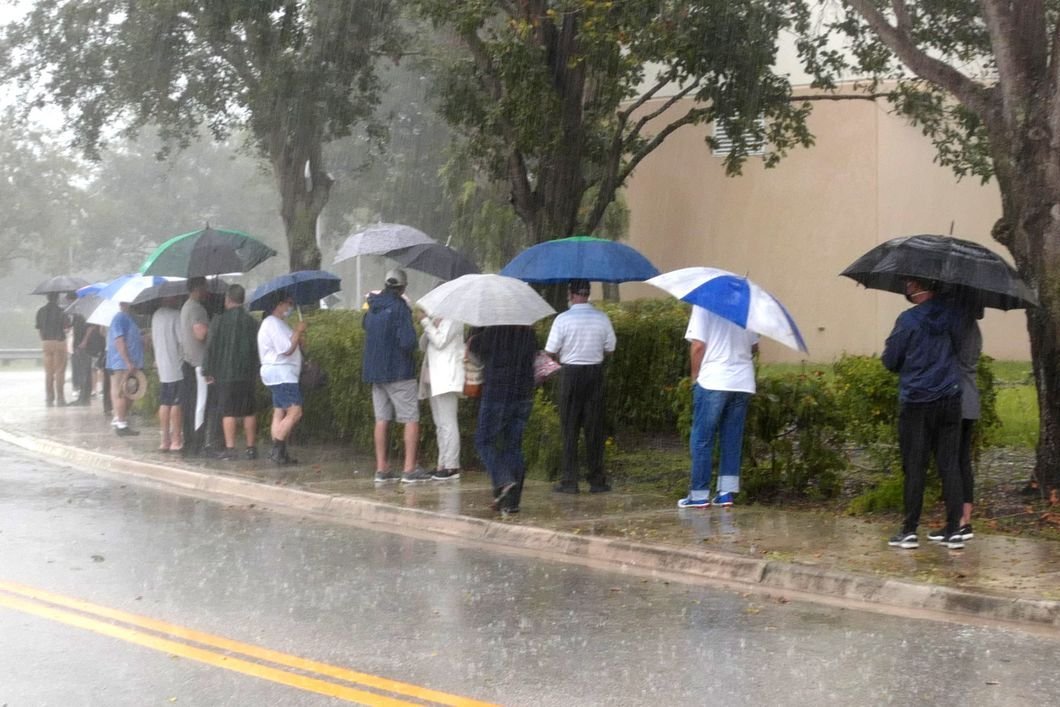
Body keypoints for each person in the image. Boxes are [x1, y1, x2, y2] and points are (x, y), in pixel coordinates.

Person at [882, 278, 965, 550]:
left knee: (915, 467)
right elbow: (960, 350)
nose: (905, 285)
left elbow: (891, 360)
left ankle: (909, 530)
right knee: (950, 464)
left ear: (916, 286)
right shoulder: (954, 316)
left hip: (917, 401)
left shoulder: (907, 320)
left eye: (908, 282)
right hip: (950, 398)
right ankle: (954, 529)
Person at [677, 305, 758, 509]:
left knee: (702, 438)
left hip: (713, 380)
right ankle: (726, 493)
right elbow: (754, 347)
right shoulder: (747, 308)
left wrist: (695, 377)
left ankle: (698, 495)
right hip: (742, 382)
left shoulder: (704, 305)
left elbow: (698, 346)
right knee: (731, 438)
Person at [545, 279, 617, 494]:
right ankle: (597, 480)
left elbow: (550, 350)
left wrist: (563, 355)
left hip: (570, 374)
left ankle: (569, 480)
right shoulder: (601, 318)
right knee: (594, 429)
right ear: (587, 293)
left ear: (571, 293)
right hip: (594, 373)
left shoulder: (562, 320)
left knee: (570, 428)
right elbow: (610, 347)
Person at [362, 269, 431, 484]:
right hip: (399, 372)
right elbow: (408, 342)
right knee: (410, 418)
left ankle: (382, 469)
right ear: (402, 287)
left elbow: (366, 327)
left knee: (381, 419)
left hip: (375, 373)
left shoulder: (372, 307)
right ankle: (409, 469)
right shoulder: (400, 308)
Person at [927, 300, 983, 544]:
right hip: (970, 397)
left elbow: (942, 358)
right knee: (962, 460)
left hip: (953, 398)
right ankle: (964, 521)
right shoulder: (974, 328)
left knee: (950, 462)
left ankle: (955, 522)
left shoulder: (955, 326)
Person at [468, 325, 537, 514]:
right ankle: (510, 502)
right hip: (524, 393)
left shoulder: (491, 332)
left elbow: (473, 353)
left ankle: (504, 480)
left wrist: (475, 333)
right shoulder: (528, 332)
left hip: (497, 393)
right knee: (513, 446)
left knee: (484, 441)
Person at [202, 284, 260, 460]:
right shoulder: (252, 323)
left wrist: (207, 370)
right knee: (249, 411)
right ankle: (251, 448)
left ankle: (231, 449)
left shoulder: (218, 321)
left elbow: (210, 347)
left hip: (224, 374)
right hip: (247, 374)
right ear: (242, 300)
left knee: (229, 412)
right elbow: (257, 349)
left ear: (228, 299)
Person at [257, 292, 306, 465]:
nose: (290, 307)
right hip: (282, 373)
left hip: (279, 373)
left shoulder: (278, 324)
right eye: (288, 304)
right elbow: (286, 349)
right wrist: (298, 331)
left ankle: (280, 452)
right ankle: (276, 450)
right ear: (278, 305)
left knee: (280, 410)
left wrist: (298, 336)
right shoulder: (273, 323)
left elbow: (292, 344)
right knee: (295, 411)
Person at [417, 312, 465, 480]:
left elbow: (440, 341)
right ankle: (442, 463)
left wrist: (425, 322)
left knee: (448, 423)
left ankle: (452, 466)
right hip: (434, 378)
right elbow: (423, 345)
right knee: (440, 424)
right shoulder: (438, 319)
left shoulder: (455, 319)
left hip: (447, 378)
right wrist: (430, 324)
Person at [178, 277, 212, 456]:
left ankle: (190, 440)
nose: (207, 291)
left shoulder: (185, 307)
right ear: (198, 288)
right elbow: (200, 334)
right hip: (199, 364)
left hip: (188, 361)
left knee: (190, 404)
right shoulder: (197, 309)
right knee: (200, 404)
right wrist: (212, 328)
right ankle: (197, 444)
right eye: (205, 287)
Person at [151, 296, 184, 452]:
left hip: (161, 366)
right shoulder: (175, 316)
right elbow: (182, 340)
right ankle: (176, 439)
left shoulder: (156, 315)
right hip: (175, 366)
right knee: (176, 403)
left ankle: (164, 440)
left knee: (164, 402)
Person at [106, 300, 144, 436]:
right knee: (123, 392)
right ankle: (121, 423)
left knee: (129, 393)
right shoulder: (120, 317)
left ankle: (120, 420)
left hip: (128, 363)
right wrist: (128, 361)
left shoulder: (128, 318)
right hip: (121, 364)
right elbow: (119, 340)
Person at [35, 292, 69, 406]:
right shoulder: (62, 312)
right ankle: (60, 398)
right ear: (57, 298)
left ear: (47, 298)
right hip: (59, 342)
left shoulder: (40, 311)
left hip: (46, 343)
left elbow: (38, 328)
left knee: (48, 372)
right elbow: (66, 328)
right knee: (59, 371)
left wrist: (43, 340)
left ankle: (49, 397)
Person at [67, 293, 93, 405]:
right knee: (80, 371)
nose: (68, 304)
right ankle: (82, 397)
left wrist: (84, 342)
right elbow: (73, 328)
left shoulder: (84, 311)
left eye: (69, 301)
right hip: (77, 345)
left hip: (84, 346)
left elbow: (90, 327)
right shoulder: (77, 313)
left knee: (84, 372)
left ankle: (84, 398)